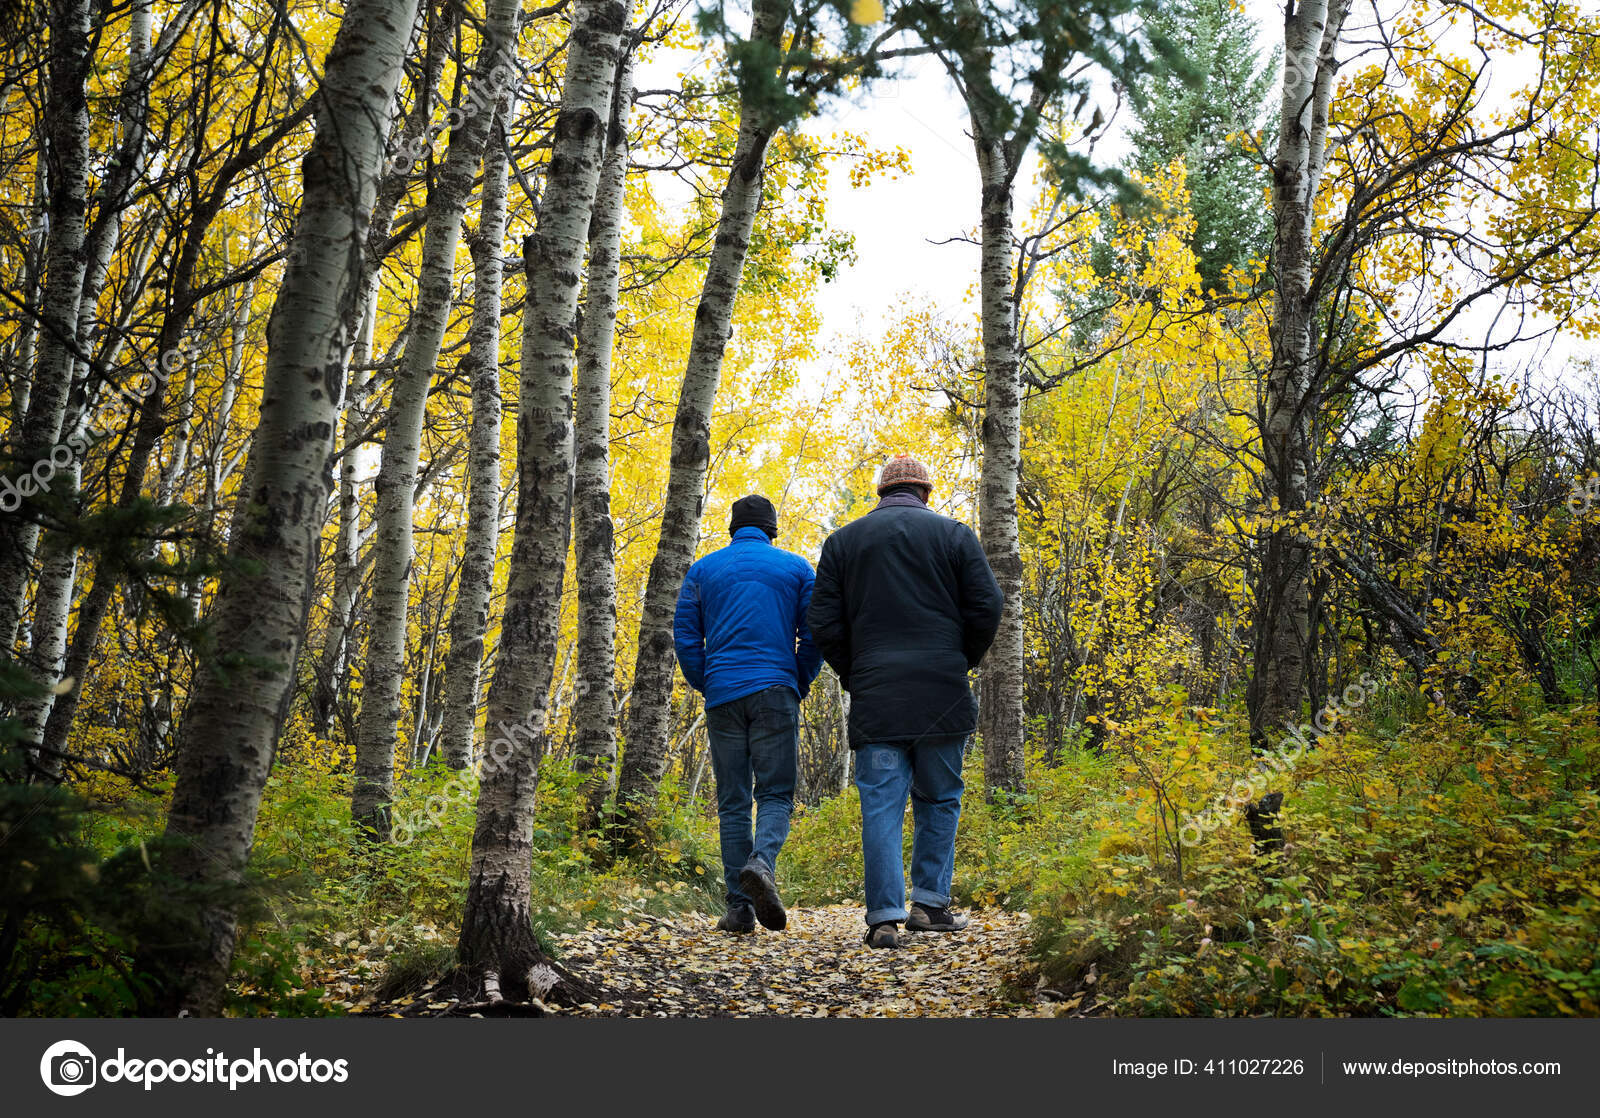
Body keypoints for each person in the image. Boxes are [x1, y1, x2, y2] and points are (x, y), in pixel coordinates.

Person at [807, 454, 1004, 948]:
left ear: (881, 493)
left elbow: (823, 623)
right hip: (941, 691)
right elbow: (988, 605)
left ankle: (885, 918)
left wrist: (857, 672)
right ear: (925, 492)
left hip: (877, 695)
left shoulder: (842, 543)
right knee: (939, 798)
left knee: (880, 805)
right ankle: (930, 906)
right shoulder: (955, 536)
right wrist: (961, 658)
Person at [674, 494, 823, 933]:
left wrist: (709, 680)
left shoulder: (703, 570)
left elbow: (685, 635)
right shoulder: (797, 569)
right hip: (776, 689)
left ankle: (740, 909)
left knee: (733, 802)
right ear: (772, 529)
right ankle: (761, 862)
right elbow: (813, 633)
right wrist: (798, 678)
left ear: (733, 528)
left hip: (723, 694)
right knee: (775, 794)